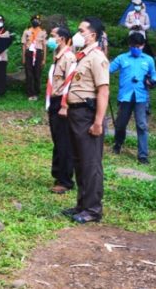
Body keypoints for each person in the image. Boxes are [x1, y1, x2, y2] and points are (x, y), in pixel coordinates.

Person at [61, 18, 110, 224]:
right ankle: (81, 204)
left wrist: (98, 121)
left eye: (81, 31)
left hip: (87, 114)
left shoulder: (97, 57)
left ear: (93, 35)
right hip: (76, 113)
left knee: (90, 162)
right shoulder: (81, 57)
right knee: (79, 160)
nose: (77, 34)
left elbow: (103, 90)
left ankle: (92, 209)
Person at [110, 32, 156, 164]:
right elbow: (108, 69)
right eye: (133, 46)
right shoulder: (122, 58)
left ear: (143, 45)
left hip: (141, 97)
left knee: (141, 125)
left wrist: (151, 81)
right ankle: (118, 144)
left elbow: (154, 75)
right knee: (120, 124)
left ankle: (143, 155)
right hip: (125, 96)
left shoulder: (148, 60)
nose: (136, 48)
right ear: (129, 45)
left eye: (139, 46)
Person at [46, 26, 76, 193]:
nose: (50, 39)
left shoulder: (68, 57)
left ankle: (65, 181)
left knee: (64, 141)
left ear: (62, 39)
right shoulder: (58, 56)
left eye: (53, 36)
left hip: (62, 102)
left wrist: (64, 105)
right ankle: (58, 175)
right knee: (57, 140)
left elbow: (69, 83)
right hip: (55, 100)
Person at [21, 15, 47, 101]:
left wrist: (44, 59)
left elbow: (44, 46)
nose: (36, 21)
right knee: (29, 73)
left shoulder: (43, 32)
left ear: (40, 22)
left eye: (38, 20)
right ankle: (30, 93)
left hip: (38, 53)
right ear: (31, 21)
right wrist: (23, 57)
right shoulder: (27, 31)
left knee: (37, 73)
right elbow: (24, 45)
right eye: (34, 20)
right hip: (29, 53)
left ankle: (36, 92)